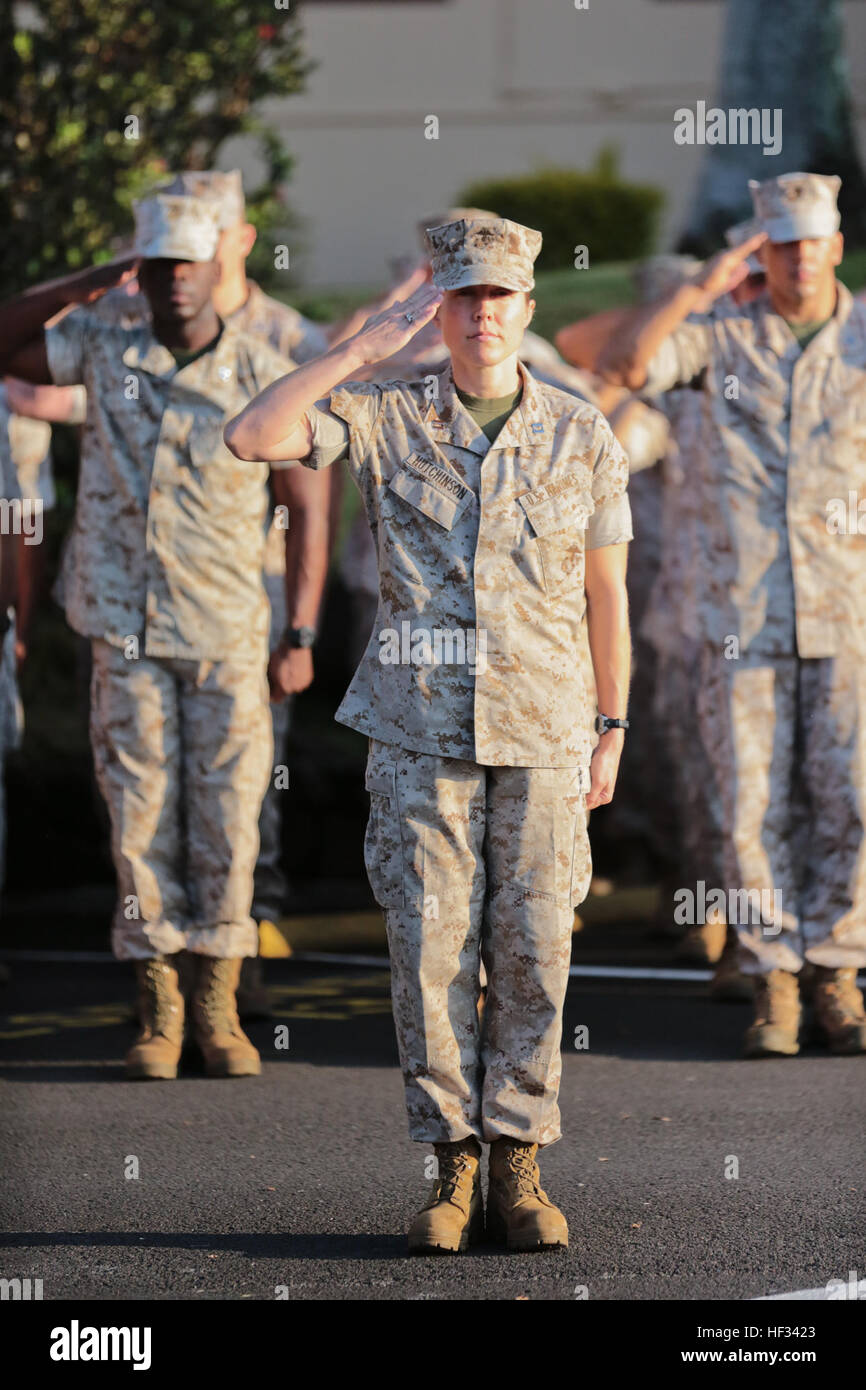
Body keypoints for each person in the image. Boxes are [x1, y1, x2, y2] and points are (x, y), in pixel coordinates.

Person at [225, 216, 632, 1252]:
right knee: (428, 954)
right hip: (417, 740)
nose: (481, 314)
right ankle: (449, 1169)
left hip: (544, 734)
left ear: (526, 308)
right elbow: (253, 435)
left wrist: (612, 727)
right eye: (462, 296)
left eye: (499, 297)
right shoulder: (384, 414)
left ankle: (518, 1165)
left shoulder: (582, 432)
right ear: (436, 309)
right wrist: (360, 348)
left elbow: (606, 599)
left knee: (536, 951)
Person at [0, 192, 309, 1079]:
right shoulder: (102, 346)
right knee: (138, 813)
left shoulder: (263, 366)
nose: (177, 281)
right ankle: (158, 1004)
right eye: (160, 263)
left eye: (191, 262)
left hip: (227, 625)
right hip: (122, 622)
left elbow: (305, 506)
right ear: (147, 268)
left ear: (222, 266)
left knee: (229, 811)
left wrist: (301, 627)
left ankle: (218, 998)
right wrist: (96, 278)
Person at [565, 172, 866, 1058]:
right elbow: (613, 362)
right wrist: (698, 288)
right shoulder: (716, 336)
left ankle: (838, 974)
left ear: (837, 247)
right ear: (758, 251)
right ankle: (773, 976)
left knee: (848, 799)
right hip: (739, 618)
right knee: (745, 805)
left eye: (812, 242)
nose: (798, 259)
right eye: (780, 243)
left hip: (846, 616)